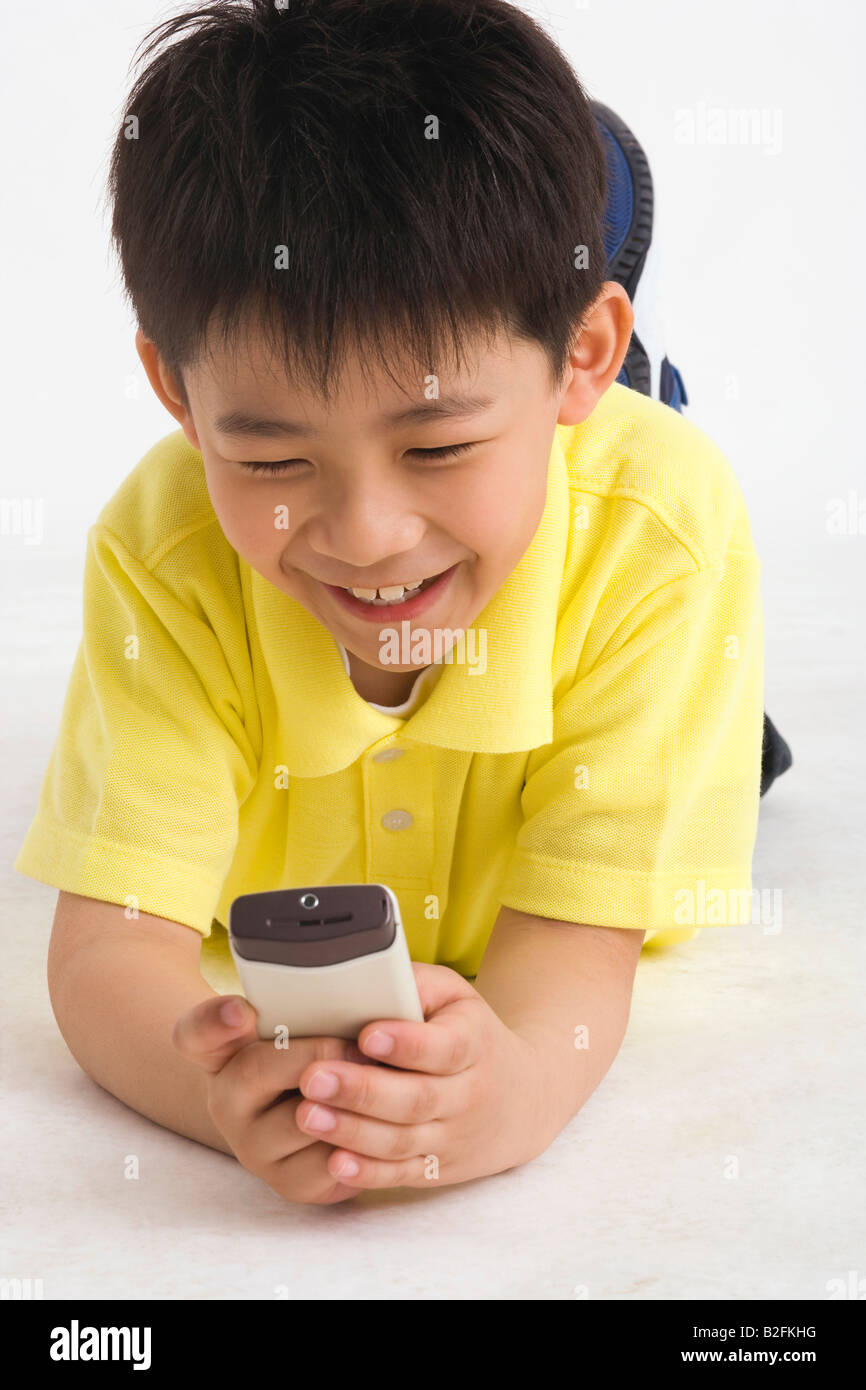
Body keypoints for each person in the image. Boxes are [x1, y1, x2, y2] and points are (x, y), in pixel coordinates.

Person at [15, 0, 780, 1204]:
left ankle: (626, 379)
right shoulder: (163, 546)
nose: (364, 536)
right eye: (269, 462)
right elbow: (111, 946)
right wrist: (236, 1090)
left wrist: (511, 1089)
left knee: (731, 746)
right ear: (172, 388)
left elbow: (571, 952)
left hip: (603, 520)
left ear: (579, 357)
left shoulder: (662, 538)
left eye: (435, 449)